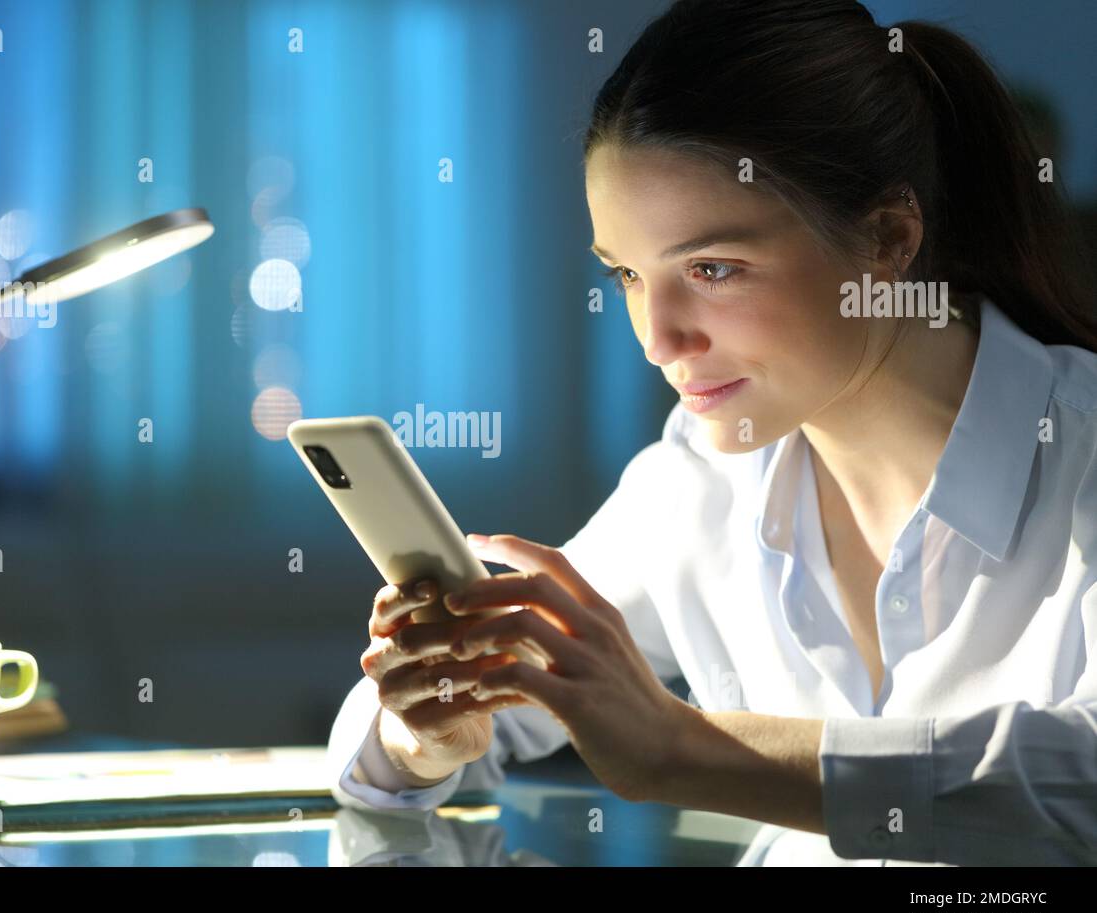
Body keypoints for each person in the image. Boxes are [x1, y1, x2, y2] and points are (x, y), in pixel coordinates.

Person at [326, 0, 1097, 866]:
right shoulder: (697, 482)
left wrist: (684, 750)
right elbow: (410, 745)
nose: (658, 339)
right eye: (625, 274)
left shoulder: (1083, 456)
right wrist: (427, 734)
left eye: (713, 268)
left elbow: (1081, 776)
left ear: (887, 239)